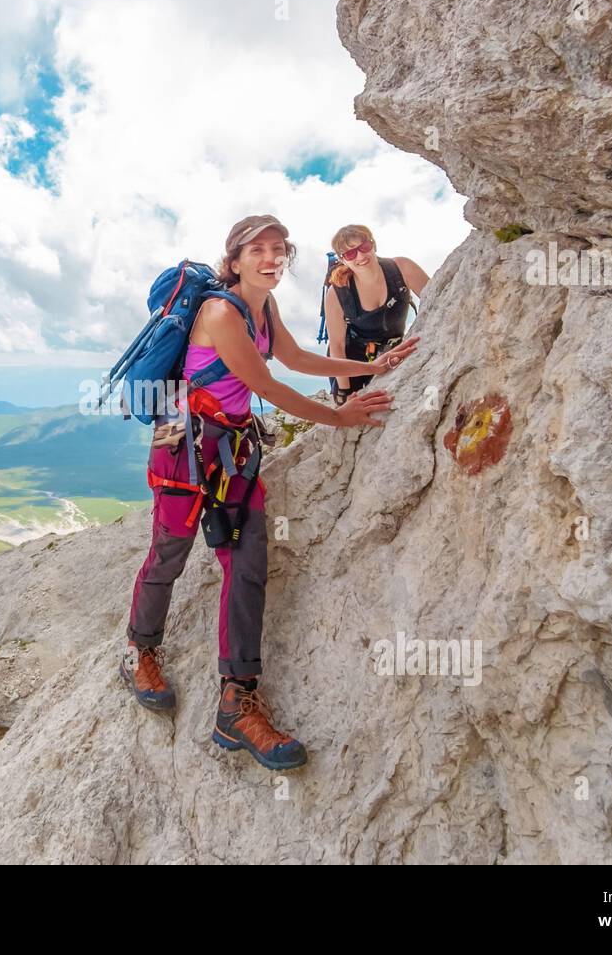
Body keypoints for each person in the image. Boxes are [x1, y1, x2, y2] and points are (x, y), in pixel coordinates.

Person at [121, 214, 419, 771]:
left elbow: (298, 359)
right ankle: (139, 652)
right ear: (233, 261)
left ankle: (236, 702)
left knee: (247, 562)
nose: (271, 258)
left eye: (280, 250)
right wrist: (342, 416)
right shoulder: (218, 312)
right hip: (186, 447)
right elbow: (268, 386)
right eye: (257, 250)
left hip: (231, 450)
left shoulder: (266, 307)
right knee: (170, 552)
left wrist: (372, 364)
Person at [322, 224, 430, 404]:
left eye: (364, 247)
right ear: (343, 260)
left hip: (394, 350)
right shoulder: (339, 292)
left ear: (374, 245)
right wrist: (344, 391)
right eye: (350, 254)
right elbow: (337, 346)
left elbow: (440, 300)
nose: (361, 256)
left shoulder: (402, 269)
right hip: (352, 363)